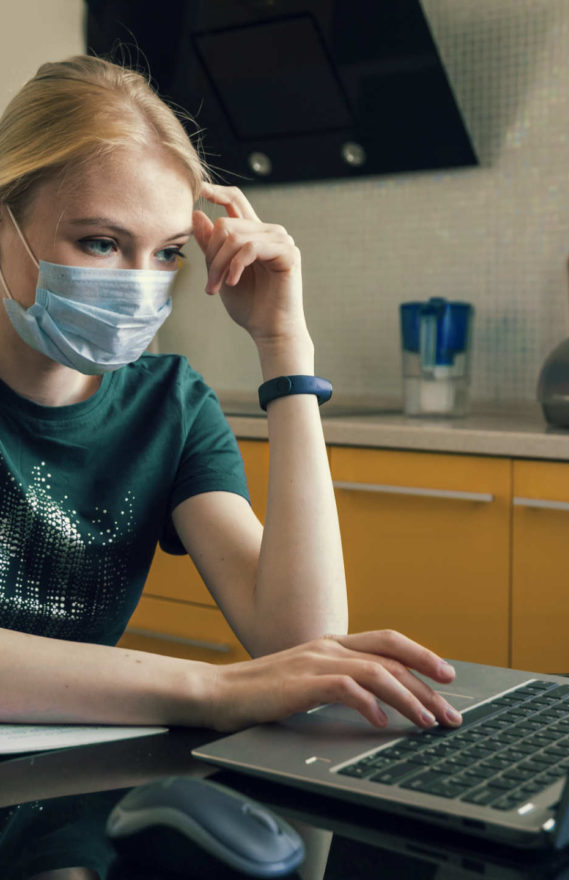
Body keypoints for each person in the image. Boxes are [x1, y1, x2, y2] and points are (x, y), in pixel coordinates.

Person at [0, 55, 463, 735]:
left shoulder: (169, 405)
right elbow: (259, 677)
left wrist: (284, 346)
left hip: (58, 800)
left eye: (167, 253)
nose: (139, 284)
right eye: (101, 242)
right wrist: (210, 688)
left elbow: (298, 643)